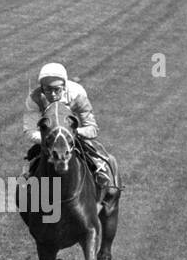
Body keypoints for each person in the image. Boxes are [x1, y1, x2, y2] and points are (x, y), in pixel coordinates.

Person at [22, 61, 121, 196]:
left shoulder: (77, 94)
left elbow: (92, 128)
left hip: (72, 137)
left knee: (93, 153)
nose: (52, 94)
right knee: (31, 160)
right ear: (41, 87)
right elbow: (29, 131)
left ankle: (101, 173)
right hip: (47, 138)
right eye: (47, 89)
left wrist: (70, 134)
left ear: (64, 86)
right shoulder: (34, 98)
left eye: (57, 89)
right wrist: (52, 138)